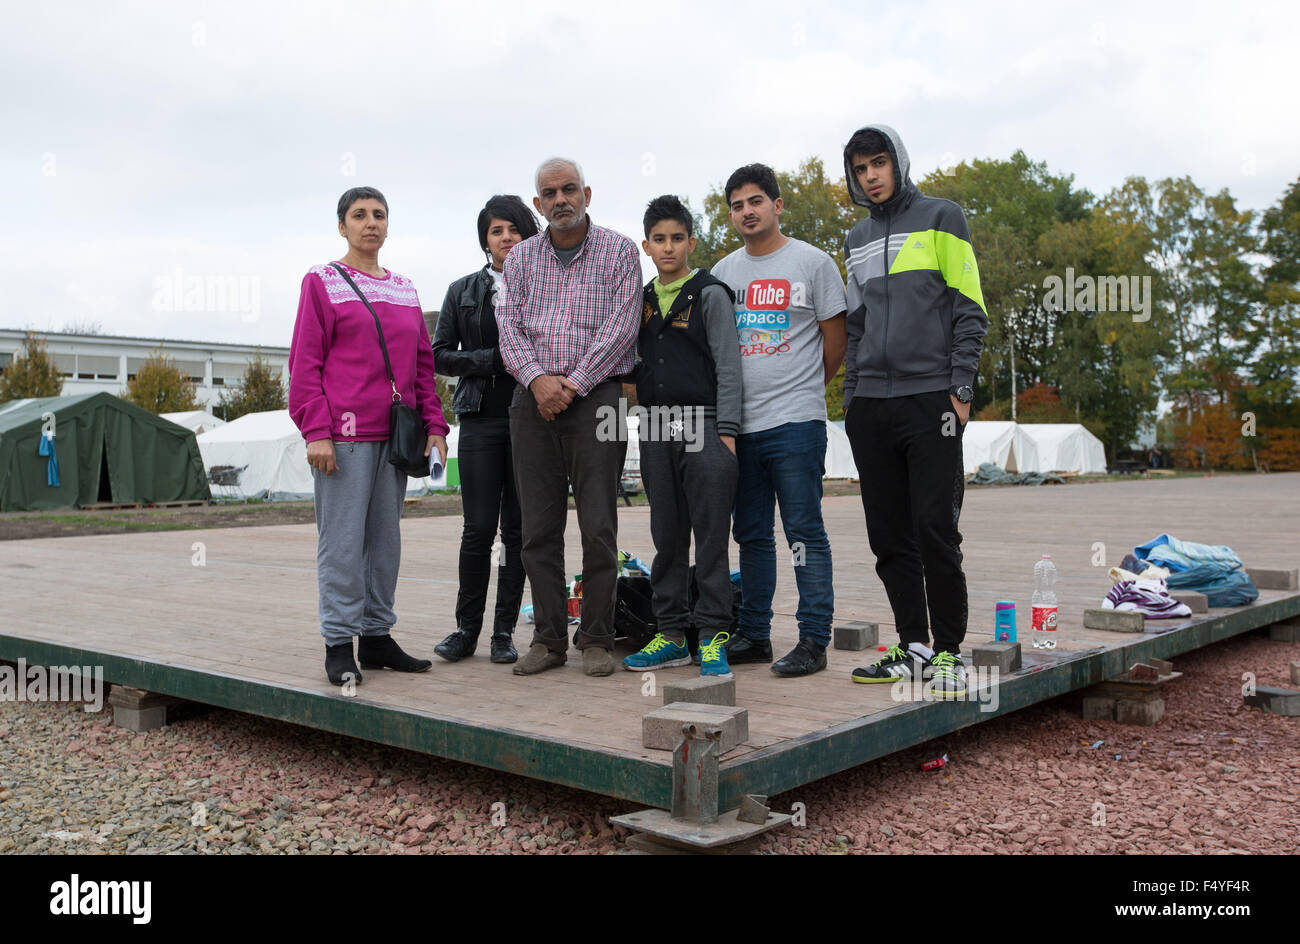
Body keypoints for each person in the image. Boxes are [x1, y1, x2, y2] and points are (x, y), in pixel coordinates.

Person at [839, 124, 989, 698]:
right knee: (889, 534)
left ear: (897, 163)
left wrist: (961, 388)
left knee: (934, 526)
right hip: (872, 404)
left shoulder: (942, 217)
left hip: (933, 398)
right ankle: (914, 645)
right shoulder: (854, 238)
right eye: (860, 169)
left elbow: (968, 305)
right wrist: (852, 396)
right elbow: (855, 326)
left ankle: (950, 651)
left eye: (878, 163)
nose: (870, 176)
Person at [289, 186, 449, 686]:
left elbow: (423, 366)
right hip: (343, 436)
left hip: (395, 437)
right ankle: (339, 642)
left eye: (379, 214)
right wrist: (316, 429)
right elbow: (304, 362)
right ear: (342, 226)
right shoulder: (322, 281)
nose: (370, 223)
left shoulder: (404, 288)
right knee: (341, 542)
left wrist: (436, 426)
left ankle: (376, 636)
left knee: (385, 541)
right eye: (359, 215)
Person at [495, 158, 641, 677]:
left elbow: (622, 329)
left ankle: (597, 638)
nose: (561, 199)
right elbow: (508, 328)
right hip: (531, 401)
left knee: (598, 523)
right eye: (550, 192)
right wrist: (536, 380)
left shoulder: (622, 253)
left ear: (587, 194)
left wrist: (574, 385)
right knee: (538, 528)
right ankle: (549, 639)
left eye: (570, 189)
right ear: (538, 204)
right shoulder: (519, 260)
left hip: (598, 398)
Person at [711, 164, 848, 678]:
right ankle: (755, 634)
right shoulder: (724, 273)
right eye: (738, 204)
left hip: (796, 423)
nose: (747, 211)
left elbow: (836, 342)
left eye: (756, 201)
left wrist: (806, 386)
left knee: (803, 532)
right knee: (750, 534)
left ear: (777, 205)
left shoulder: (812, 263)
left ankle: (813, 639)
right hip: (741, 428)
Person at [621, 195, 742, 679]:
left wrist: (727, 431)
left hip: (706, 423)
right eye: (659, 240)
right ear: (646, 245)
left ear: (691, 242)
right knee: (667, 537)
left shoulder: (710, 293)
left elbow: (730, 367)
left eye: (677, 239)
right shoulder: (641, 300)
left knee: (711, 537)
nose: (668, 248)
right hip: (655, 427)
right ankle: (671, 635)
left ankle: (712, 635)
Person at [431, 195, 540, 665]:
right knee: (477, 530)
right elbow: (438, 354)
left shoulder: (544, 286)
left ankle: (503, 633)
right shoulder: (462, 291)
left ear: (526, 234)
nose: (506, 238)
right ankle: (465, 629)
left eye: (514, 229)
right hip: (478, 419)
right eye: (497, 230)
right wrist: (490, 361)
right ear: (485, 240)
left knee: (517, 531)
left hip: (528, 418)